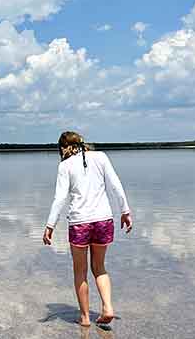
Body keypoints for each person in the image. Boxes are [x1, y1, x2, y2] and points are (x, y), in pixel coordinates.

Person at [43, 131, 133, 327]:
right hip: (103, 220)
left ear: (63, 148)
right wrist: (125, 211)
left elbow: (60, 199)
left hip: (80, 222)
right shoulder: (101, 157)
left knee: (80, 271)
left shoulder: (65, 166)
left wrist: (50, 226)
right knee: (99, 267)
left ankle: (84, 318)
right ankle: (107, 307)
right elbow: (116, 185)